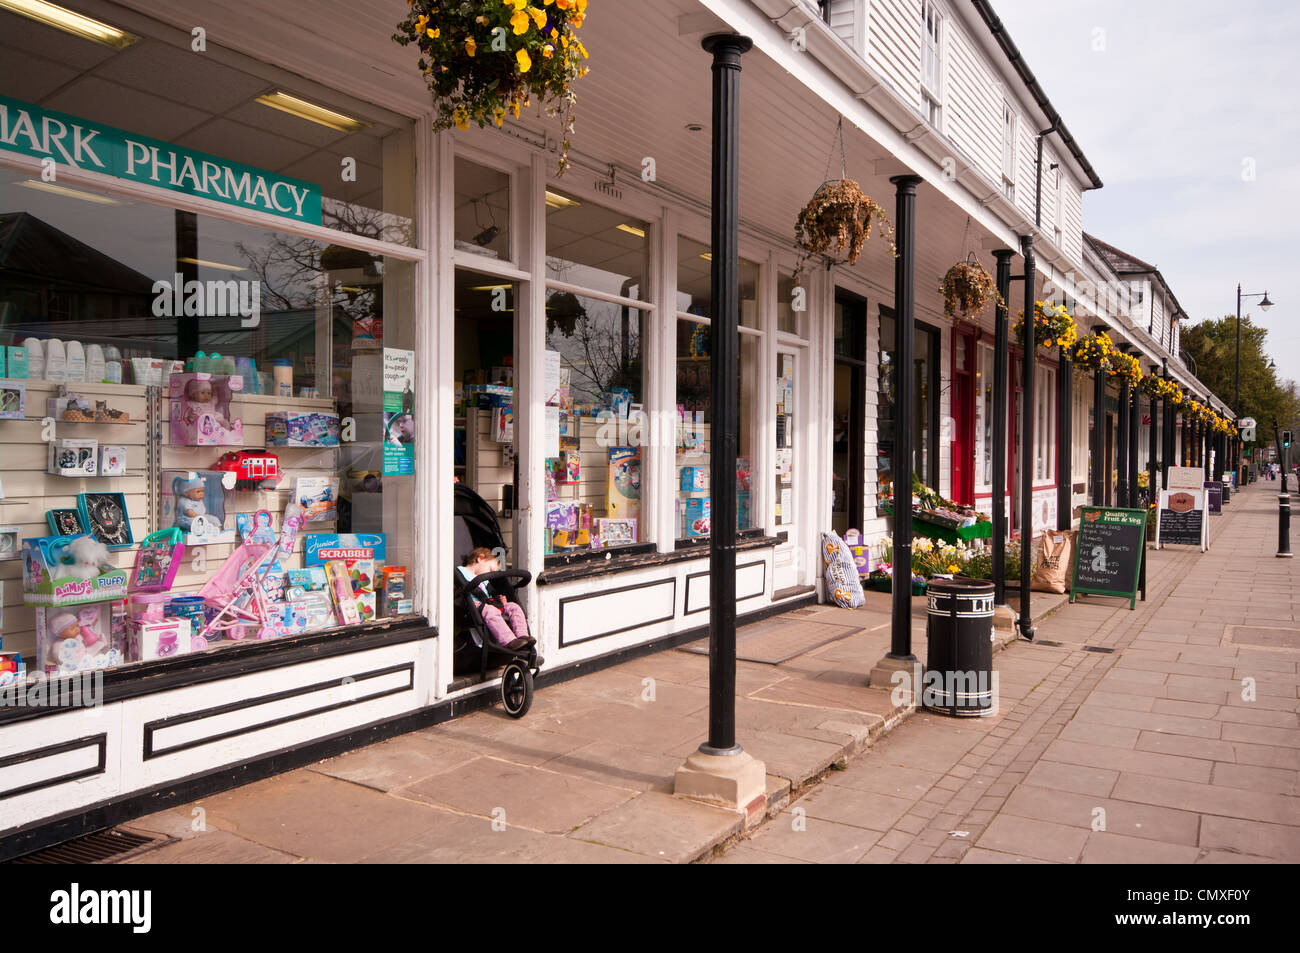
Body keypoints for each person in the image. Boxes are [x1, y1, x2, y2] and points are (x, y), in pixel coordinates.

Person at [458, 547, 533, 650]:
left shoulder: (484, 581)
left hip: (489, 605)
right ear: (480, 558)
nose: (490, 575)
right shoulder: (461, 573)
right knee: (490, 610)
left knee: (513, 606)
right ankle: (509, 641)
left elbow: (489, 596)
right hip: (472, 609)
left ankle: (523, 637)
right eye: (490, 570)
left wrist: (500, 600)